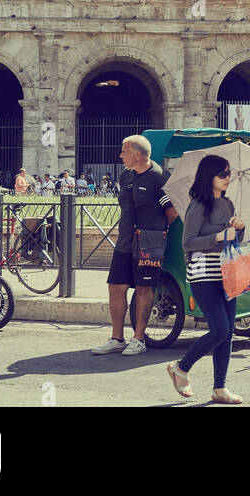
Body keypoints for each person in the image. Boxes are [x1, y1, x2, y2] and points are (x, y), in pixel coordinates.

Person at [166, 154, 246, 404]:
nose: (227, 178)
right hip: (203, 274)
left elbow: (234, 240)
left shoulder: (229, 204)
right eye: (222, 174)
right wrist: (218, 237)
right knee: (220, 329)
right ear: (208, 176)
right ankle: (181, 367)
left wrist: (240, 230)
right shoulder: (198, 205)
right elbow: (187, 243)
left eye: (228, 173)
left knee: (228, 332)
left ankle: (219, 388)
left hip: (228, 272)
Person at [94, 135, 177, 357]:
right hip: (125, 241)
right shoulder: (126, 175)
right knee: (116, 286)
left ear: (137, 154)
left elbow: (172, 211)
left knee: (144, 288)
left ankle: (139, 339)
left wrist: (155, 229)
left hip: (149, 242)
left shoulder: (159, 178)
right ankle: (117, 339)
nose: (120, 155)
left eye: (124, 151)